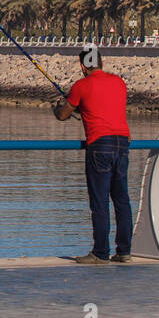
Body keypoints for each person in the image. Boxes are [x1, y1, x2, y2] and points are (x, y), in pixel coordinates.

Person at [52, 44, 133, 263]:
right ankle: (124, 251)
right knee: (121, 199)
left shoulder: (81, 85)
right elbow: (103, 105)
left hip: (100, 144)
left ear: (82, 65)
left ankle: (100, 252)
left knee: (99, 201)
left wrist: (57, 107)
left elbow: (63, 115)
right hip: (122, 143)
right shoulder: (119, 83)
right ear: (101, 62)